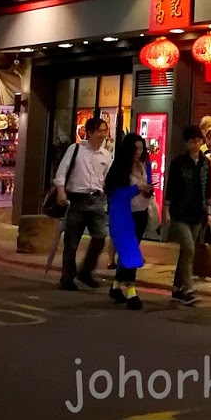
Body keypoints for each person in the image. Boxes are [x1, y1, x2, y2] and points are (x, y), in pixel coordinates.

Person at [53, 115, 112, 286]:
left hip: (97, 200)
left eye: (104, 131)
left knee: (100, 237)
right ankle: (67, 277)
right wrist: (61, 192)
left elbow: (106, 178)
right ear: (90, 132)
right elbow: (61, 172)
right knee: (71, 241)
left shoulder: (106, 155)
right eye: (99, 131)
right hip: (77, 200)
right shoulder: (75, 149)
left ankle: (86, 271)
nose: (102, 135)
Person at [164, 125, 211, 304]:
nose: (196, 144)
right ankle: (189, 287)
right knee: (189, 248)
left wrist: (208, 212)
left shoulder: (205, 163)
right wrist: (167, 210)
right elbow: (172, 187)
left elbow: (207, 189)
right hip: (179, 212)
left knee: (186, 251)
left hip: (197, 212)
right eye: (192, 141)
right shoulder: (179, 162)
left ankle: (177, 287)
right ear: (186, 142)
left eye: (199, 140)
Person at [106, 134, 150, 310]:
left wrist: (147, 191)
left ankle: (116, 286)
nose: (138, 152)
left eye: (141, 148)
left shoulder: (145, 165)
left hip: (141, 212)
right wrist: (135, 188)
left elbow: (147, 184)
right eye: (135, 149)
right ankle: (132, 292)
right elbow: (114, 194)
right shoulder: (119, 168)